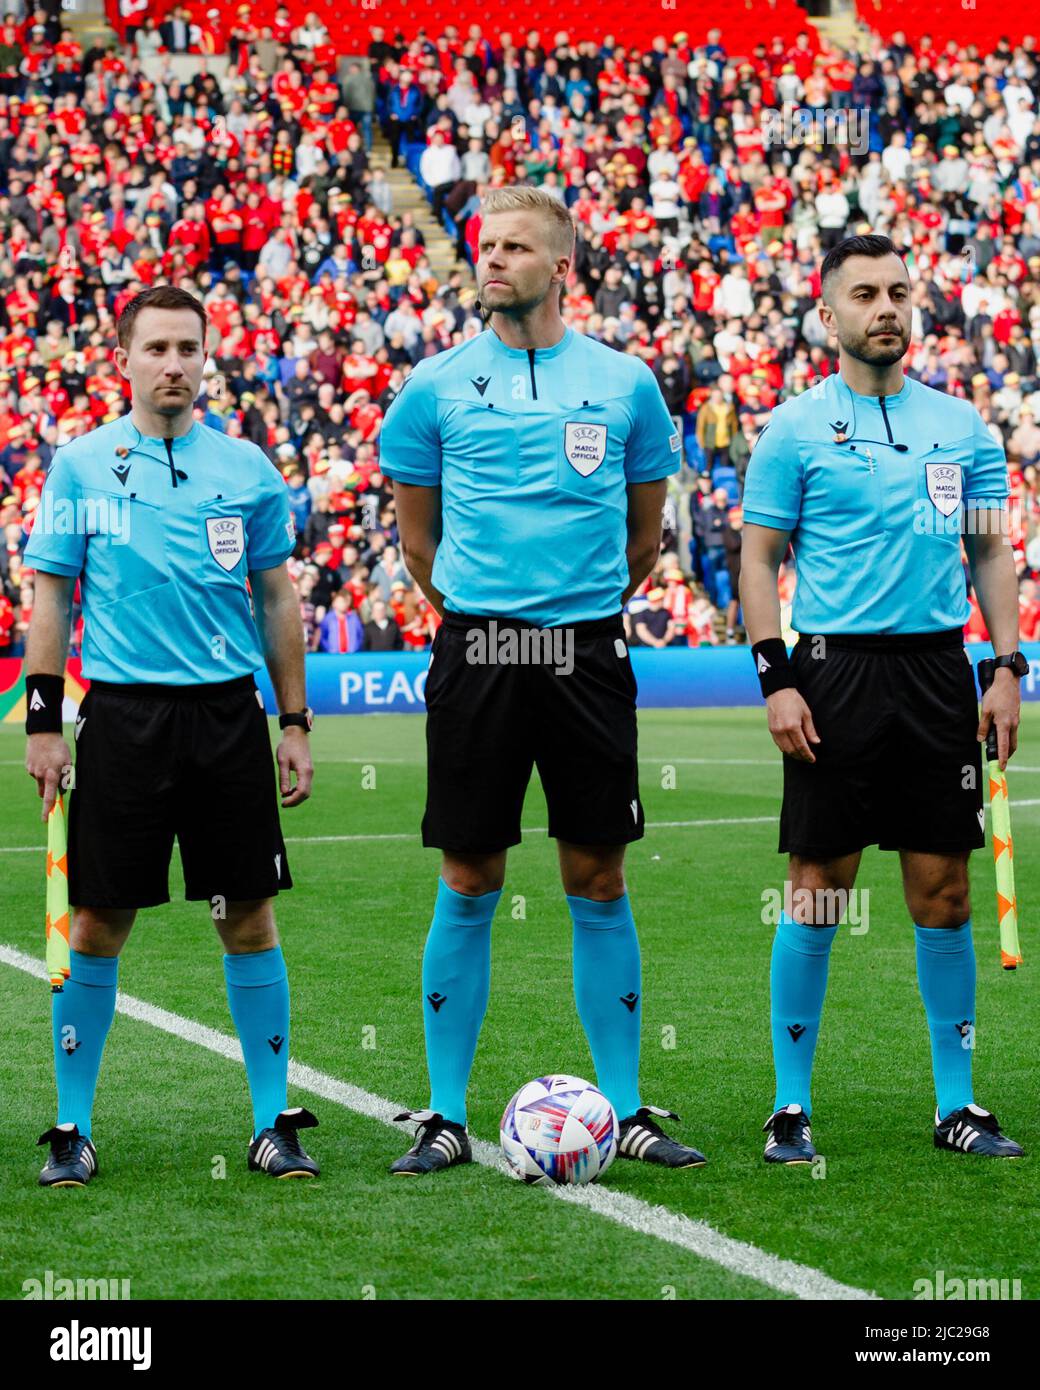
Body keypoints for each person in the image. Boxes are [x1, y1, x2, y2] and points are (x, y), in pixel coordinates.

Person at [380, 185, 706, 1176]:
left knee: (595, 876)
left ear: (560, 266)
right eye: (486, 245)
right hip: (477, 651)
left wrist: (569, 605)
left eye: (515, 247)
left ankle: (624, 1105)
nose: (492, 261)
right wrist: (485, 611)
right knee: (469, 874)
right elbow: (416, 540)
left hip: (585, 653)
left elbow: (642, 536)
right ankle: (442, 1112)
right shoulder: (433, 385)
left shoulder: (623, 384)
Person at [23, 285, 319, 1187]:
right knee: (98, 921)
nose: (175, 365)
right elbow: (52, 596)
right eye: (156, 348)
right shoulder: (79, 466)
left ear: (206, 357)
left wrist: (294, 720)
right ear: (124, 359)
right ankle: (73, 1125)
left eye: (189, 348)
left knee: (249, 919)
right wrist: (43, 723)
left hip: (229, 717)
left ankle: (273, 1122)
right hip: (122, 718)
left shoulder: (247, 469)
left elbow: (276, 598)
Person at [740, 234, 1025, 1165]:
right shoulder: (791, 428)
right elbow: (759, 558)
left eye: (899, 291)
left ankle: (959, 1105)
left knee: (943, 895)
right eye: (865, 294)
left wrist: (1007, 665)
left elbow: (988, 552)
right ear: (830, 316)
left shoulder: (964, 429)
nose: (887, 308)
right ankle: (789, 1106)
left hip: (939, 673)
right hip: (833, 675)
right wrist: (776, 677)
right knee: (819, 890)